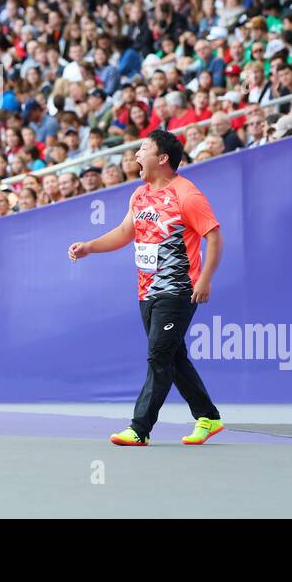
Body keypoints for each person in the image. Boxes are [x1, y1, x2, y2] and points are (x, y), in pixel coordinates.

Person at [67, 128, 225, 447]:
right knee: (173, 357)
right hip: (146, 292)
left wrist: (205, 278)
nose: (136, 155)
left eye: (143, 149)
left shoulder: (187, 194)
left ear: (162, 158)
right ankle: (209, 417)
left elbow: (213, 235)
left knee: (158, 356)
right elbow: (126, 231)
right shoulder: (139, 195)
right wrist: (90, 247)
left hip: (178, 290)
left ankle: (139, 428)